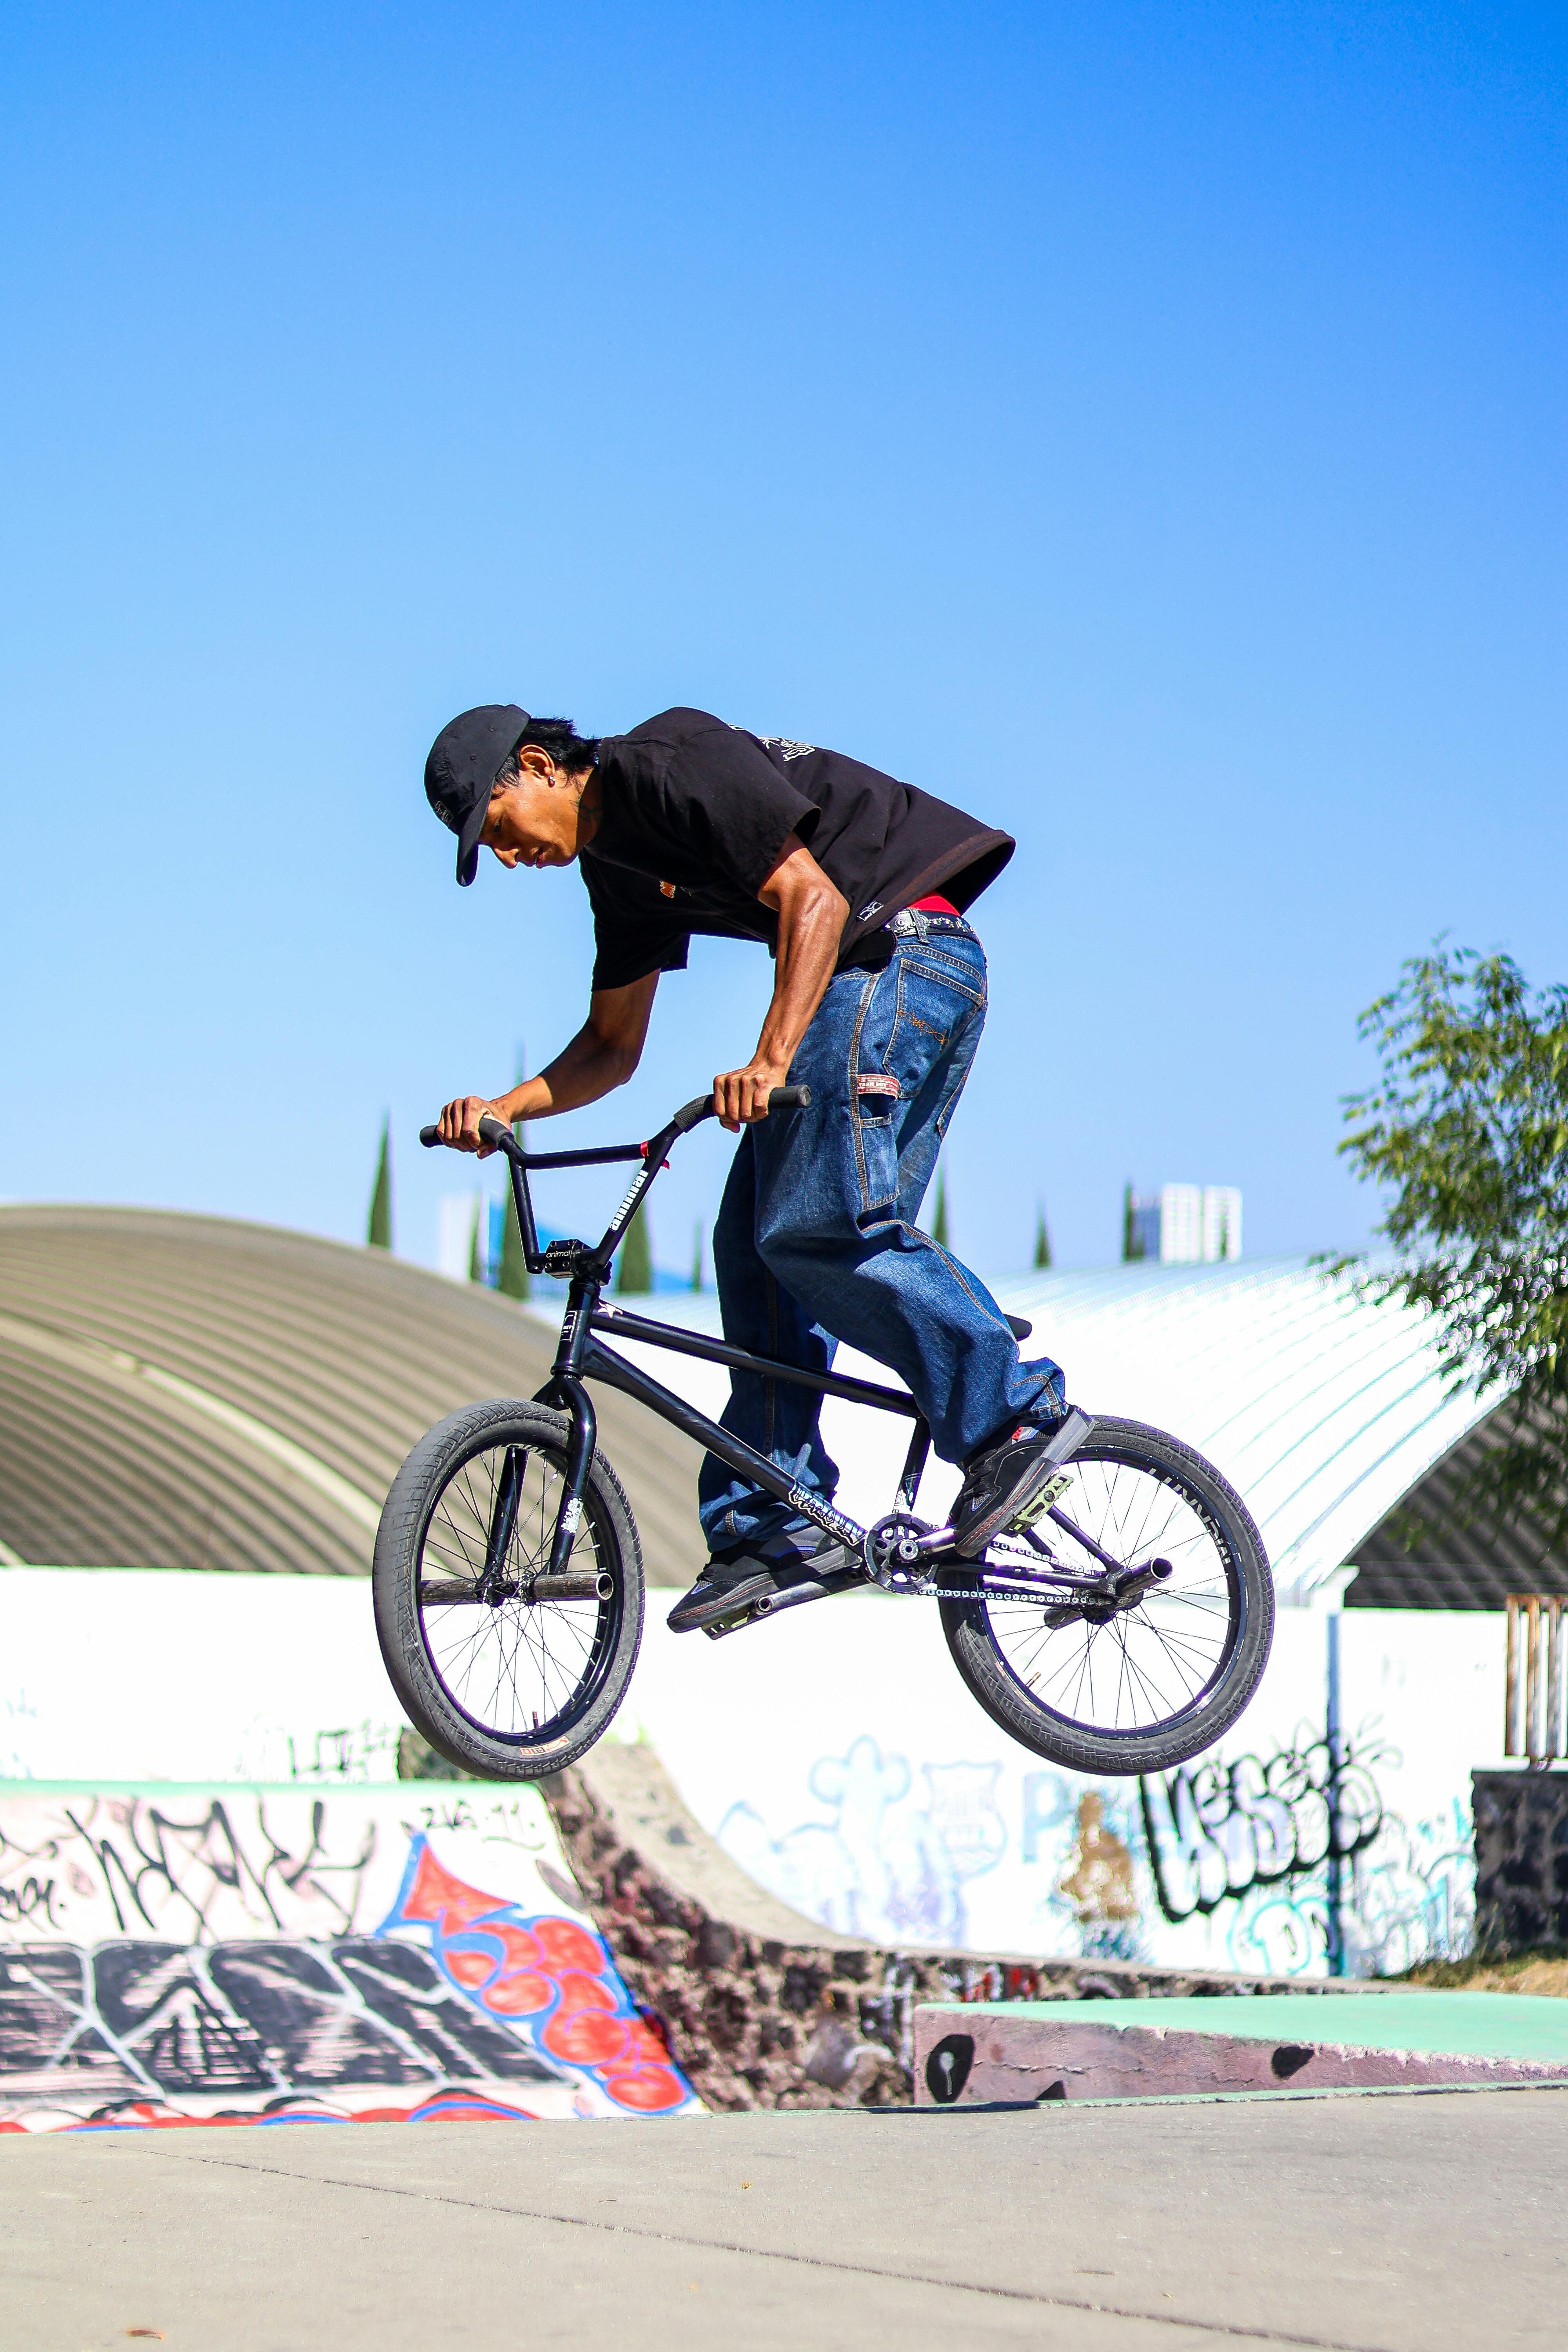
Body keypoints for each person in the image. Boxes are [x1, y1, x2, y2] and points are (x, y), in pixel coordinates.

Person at [425, 702, 1070, 1632]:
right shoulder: (617, 870)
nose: (507, 857)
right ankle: (773, 1523)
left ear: (535, 767)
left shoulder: (663, 762)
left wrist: (769, 1062)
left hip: (902, 950)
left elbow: (816, 902)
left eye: (497, 829)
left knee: (814, 1222)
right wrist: (502, 1110)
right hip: (862, 971)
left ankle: (1014, 1419)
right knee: (753, 1248)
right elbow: (612, 1045)